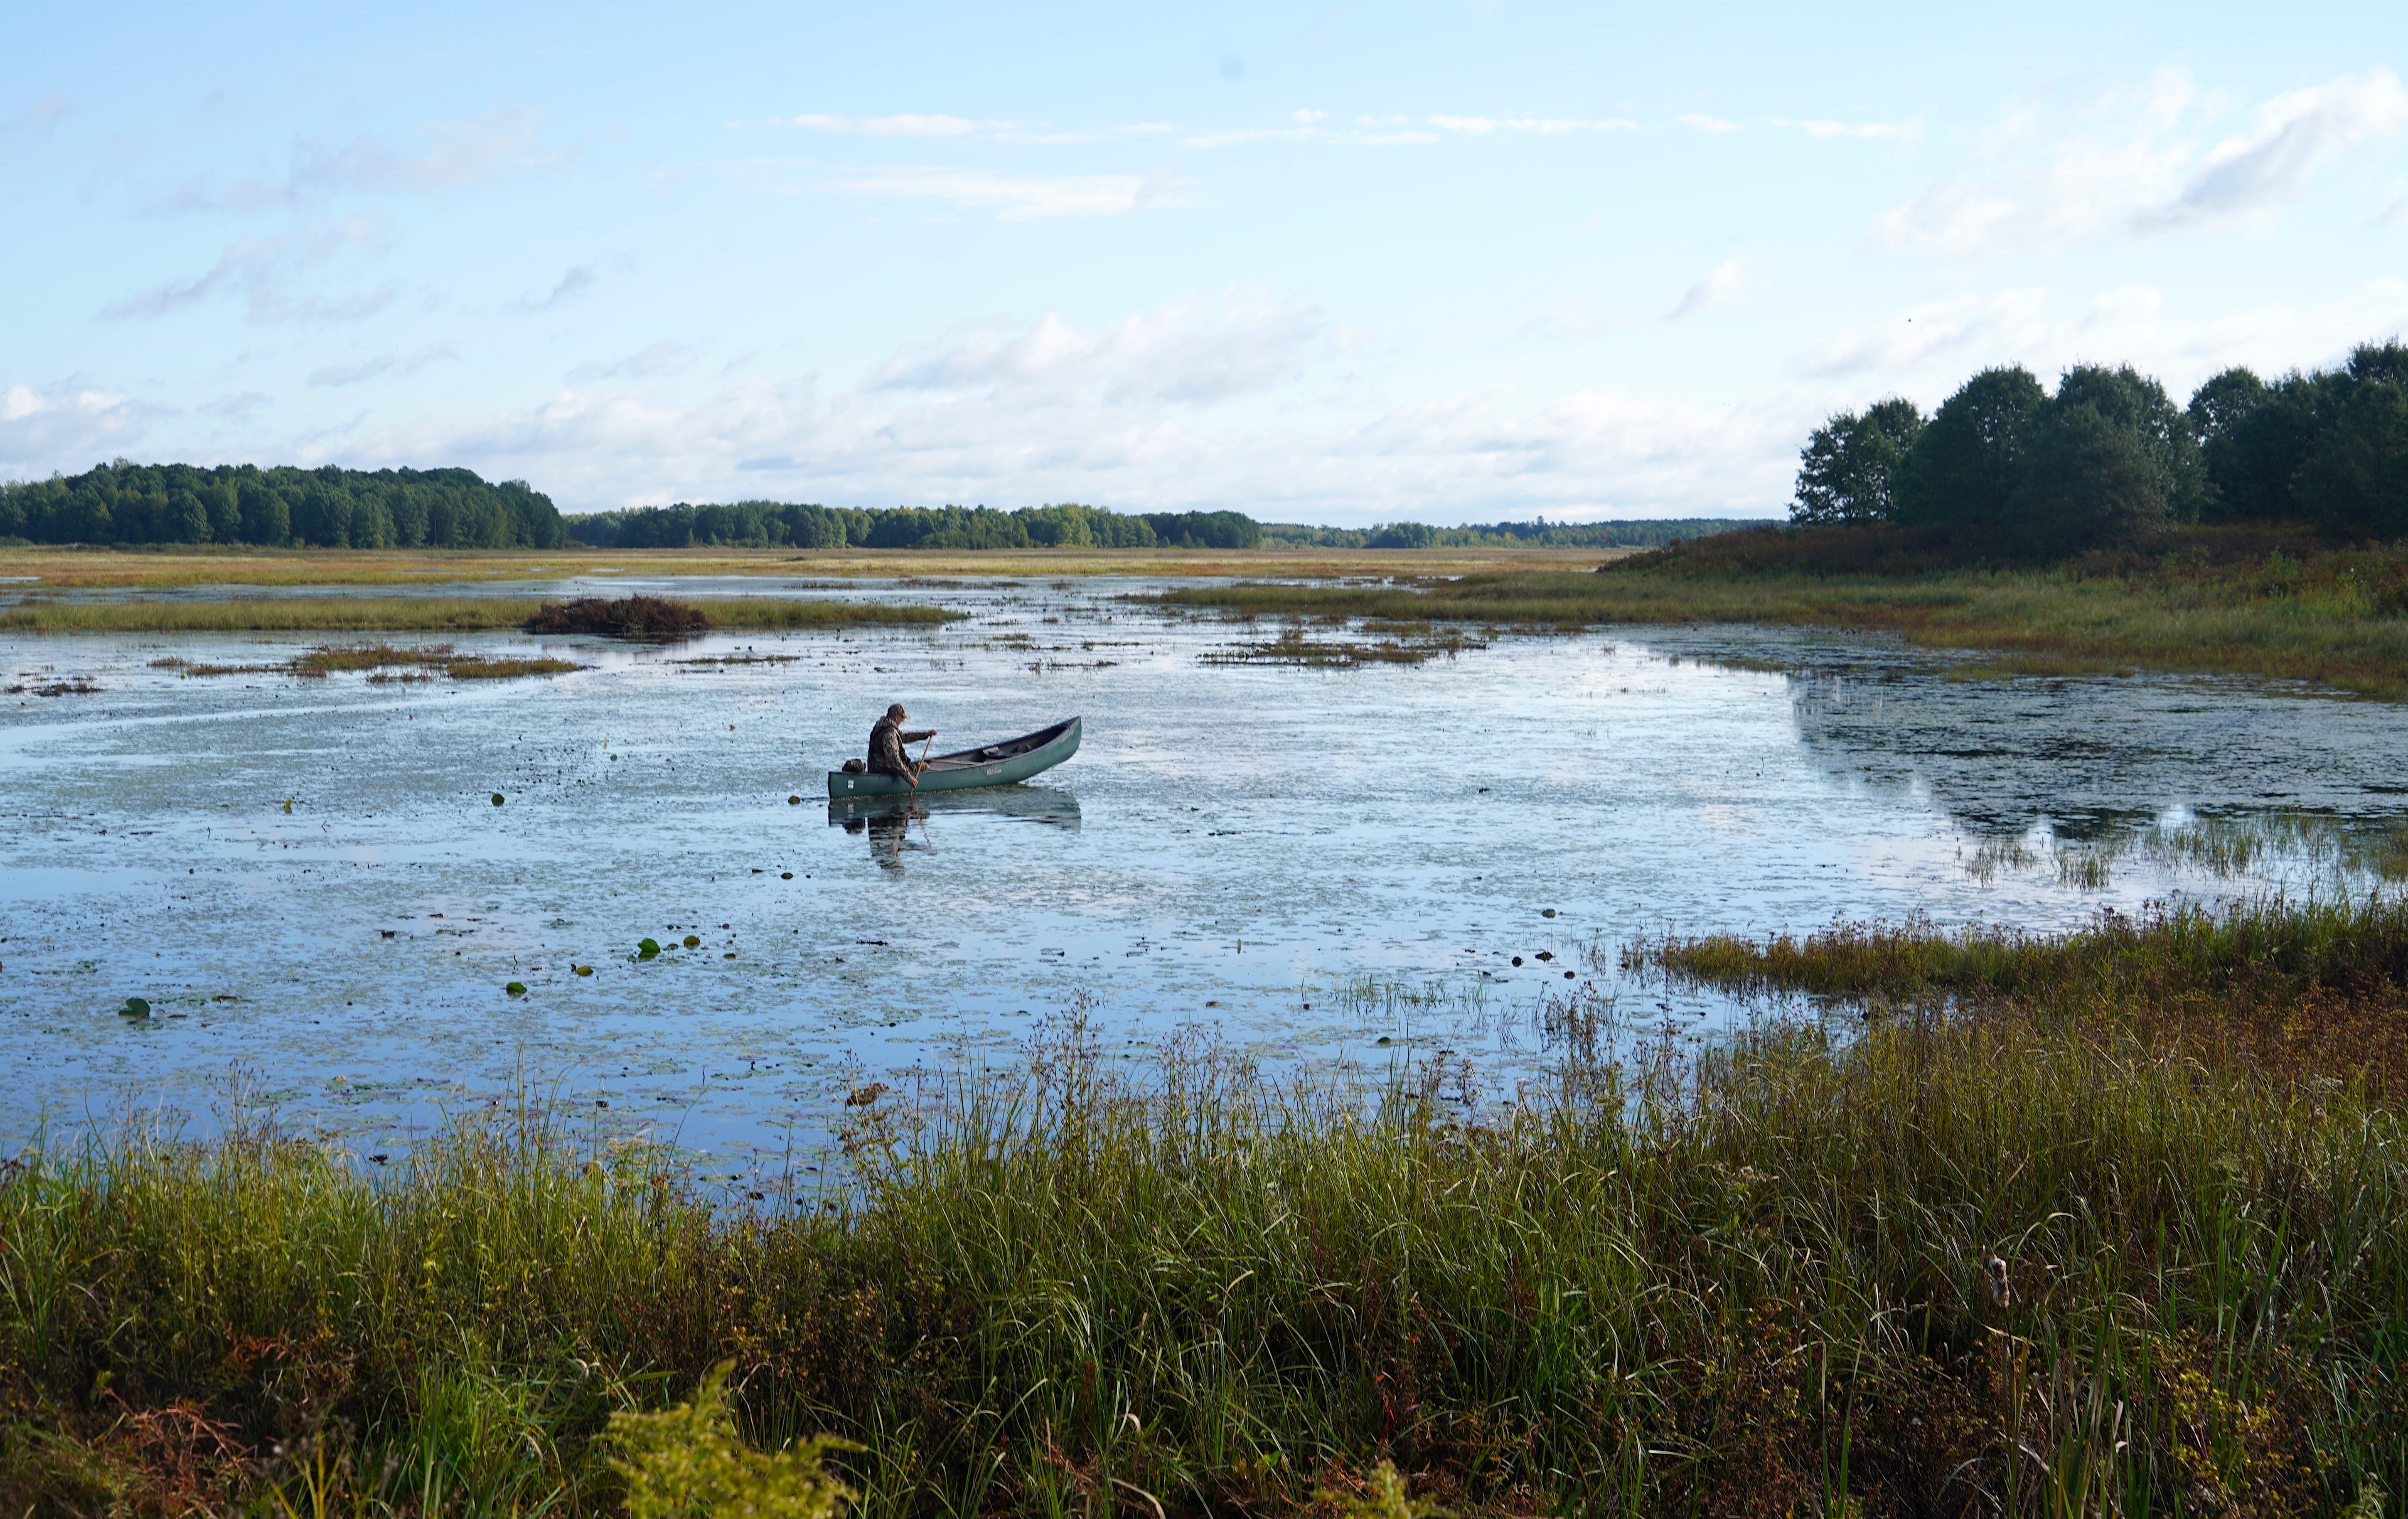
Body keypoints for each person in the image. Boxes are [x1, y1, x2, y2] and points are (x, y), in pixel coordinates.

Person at [866, 703, 936, 780]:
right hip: (885, 769)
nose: (902, 721)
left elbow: (904, 737)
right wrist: (909, 778)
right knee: (924, 767)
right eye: (903, 718)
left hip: (875, 767)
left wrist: (926, 735)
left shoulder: (881, 726)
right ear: (897, 718)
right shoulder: (890, 734)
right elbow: (894, 758)